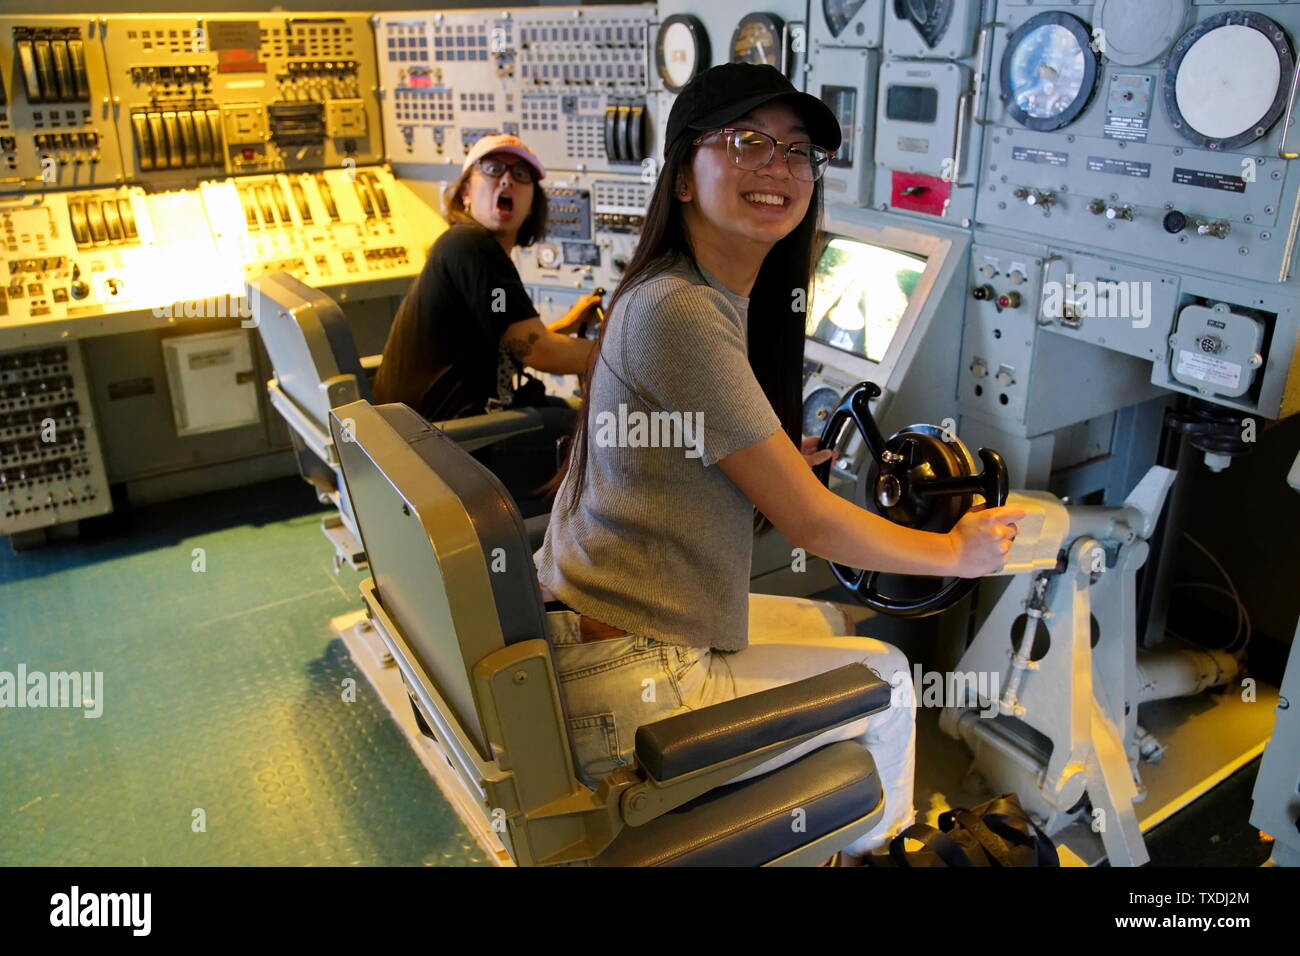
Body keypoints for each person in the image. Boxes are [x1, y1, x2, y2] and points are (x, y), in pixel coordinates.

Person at [535, 64, 1026, 865]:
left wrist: (768, 456)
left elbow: (674, 453)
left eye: (799, 152)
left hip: (602, 638)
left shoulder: (670, 291)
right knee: (890, 680)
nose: (779, 167)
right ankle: (872, 857)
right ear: (685, 175)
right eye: (749, 142)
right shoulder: (682, 310)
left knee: (826, 621)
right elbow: (811, 522)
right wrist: (954, 552)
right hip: (631, 677)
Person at [373, 134, 601, 510]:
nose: (508, 180)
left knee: (567, 415)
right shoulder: (472, 247)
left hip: (421, 445)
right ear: (465, 193)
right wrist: (626, 352)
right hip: (449, 449)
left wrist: (566, 326)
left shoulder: (466, 247)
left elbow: (512, 339)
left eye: (522, 174)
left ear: (532, 205)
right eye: (493, 170)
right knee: (606, 435)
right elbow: (538, 353)